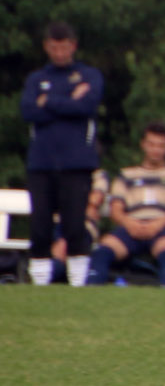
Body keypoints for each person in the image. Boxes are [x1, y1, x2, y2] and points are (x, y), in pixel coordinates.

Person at [20, 21, 104, 286]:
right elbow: (29, 111)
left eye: (64, 48)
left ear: (73, 46)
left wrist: (51, 101)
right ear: (46, 47)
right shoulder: (36, 79)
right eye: (54, 48)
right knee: (40, 226)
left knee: (75, 225)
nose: (59, 53)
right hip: (42, 164)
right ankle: (40, 283)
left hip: (76, 163)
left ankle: (78, 283)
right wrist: (68, 99)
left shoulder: (88, 75)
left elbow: (87, 106)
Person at [87, 122, 165, 286]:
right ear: (143, 145)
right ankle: (91, 291)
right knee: (103, 250)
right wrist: (128, 223)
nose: (156, 150)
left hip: (163, 227)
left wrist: (159, 223)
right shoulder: (126, 175)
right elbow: (116, 209)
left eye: (161, 146)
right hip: (131, 226)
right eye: (151, 144)